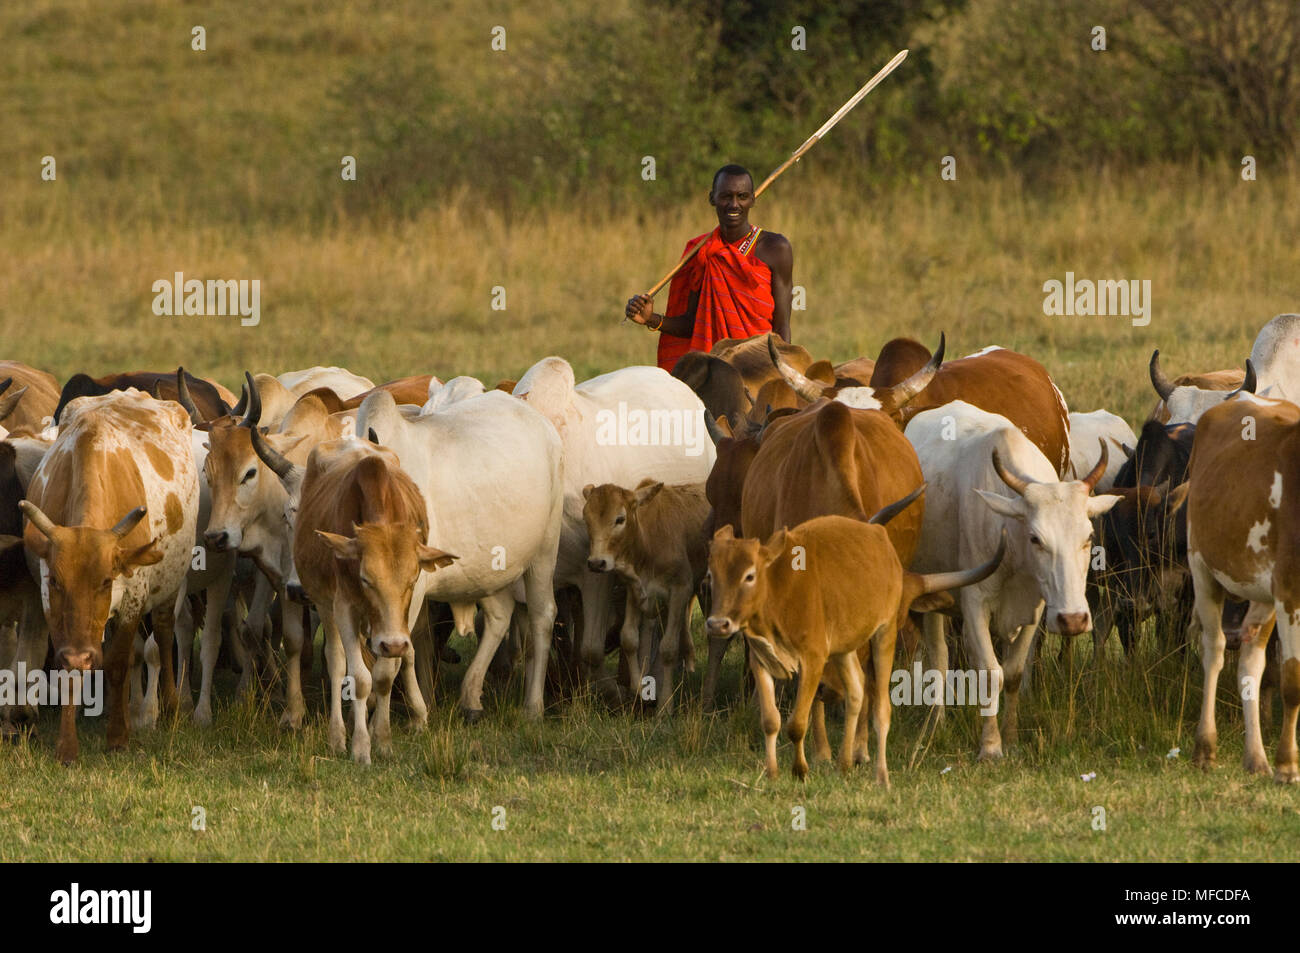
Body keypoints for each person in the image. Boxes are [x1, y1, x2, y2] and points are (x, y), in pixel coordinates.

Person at [626, 164, 793, 372]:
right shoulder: (701, 253)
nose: (734, 204)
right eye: (725, 196)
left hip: (758, 367)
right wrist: (651, 319)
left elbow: (782, 326)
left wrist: (783, 373)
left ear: (752, 199)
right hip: (714, 371)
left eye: (742, 196)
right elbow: (692, 325)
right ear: (712, 198)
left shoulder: (776, 248)